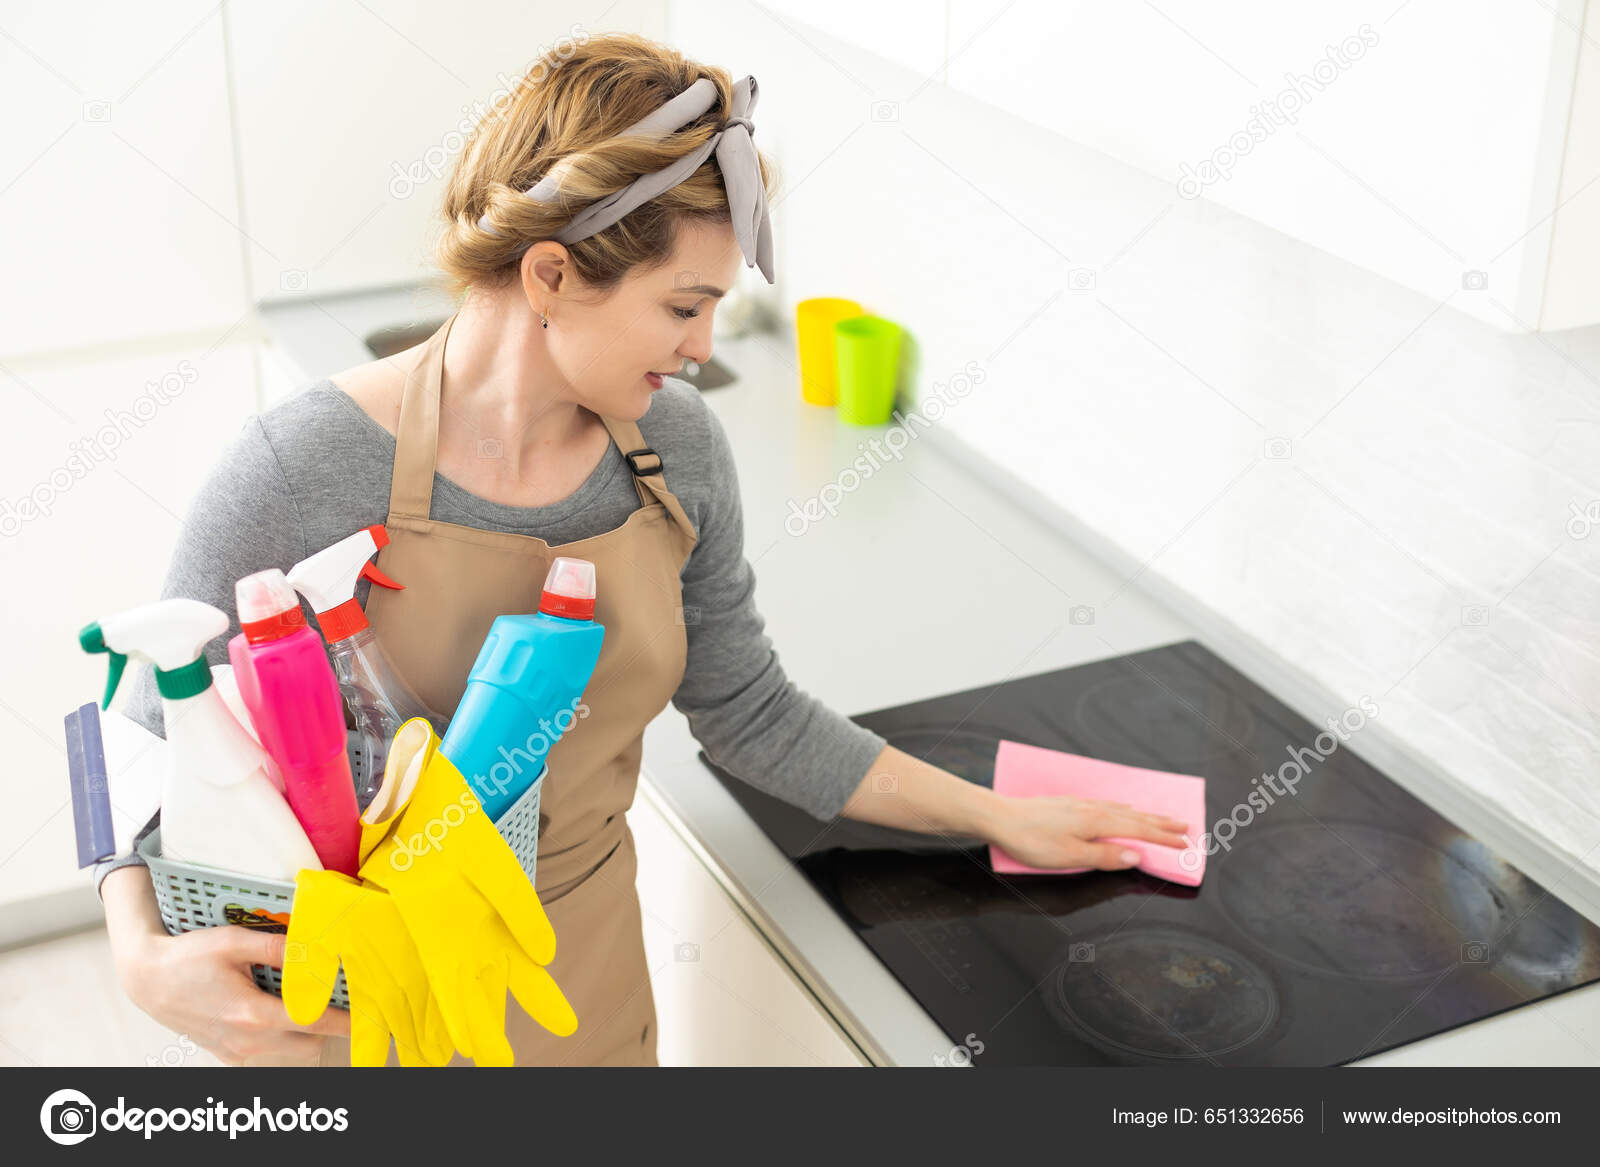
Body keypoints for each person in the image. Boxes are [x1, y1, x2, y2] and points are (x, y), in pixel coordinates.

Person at [96, 31, 1188, 1067]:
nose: (706, 347)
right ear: (553, 277)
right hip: (356, 1006)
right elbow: (140, 733)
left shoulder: (675, 450)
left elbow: (750, 711)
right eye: (683, 304)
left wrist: (998, 815)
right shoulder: (304, 464)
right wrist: (144, 961)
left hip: (582, 989)